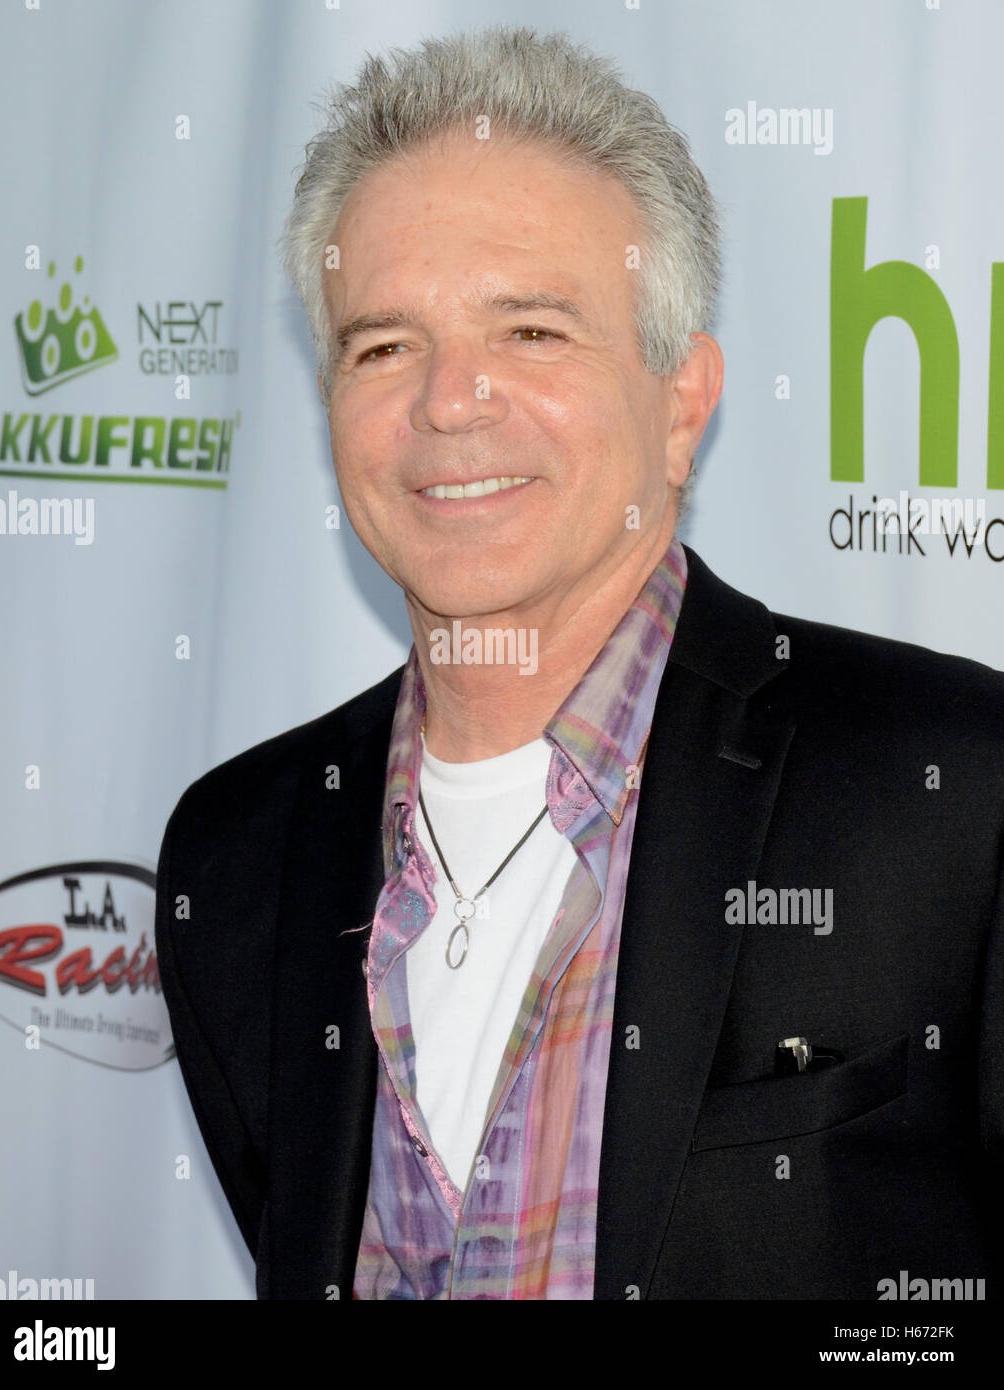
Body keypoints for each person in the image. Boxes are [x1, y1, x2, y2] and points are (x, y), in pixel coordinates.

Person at [155, 25, 1004, 1300]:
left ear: (681, 403)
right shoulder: (235, 855)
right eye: (383, 344)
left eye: (532, 332)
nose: (451, 400)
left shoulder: (946, 784)